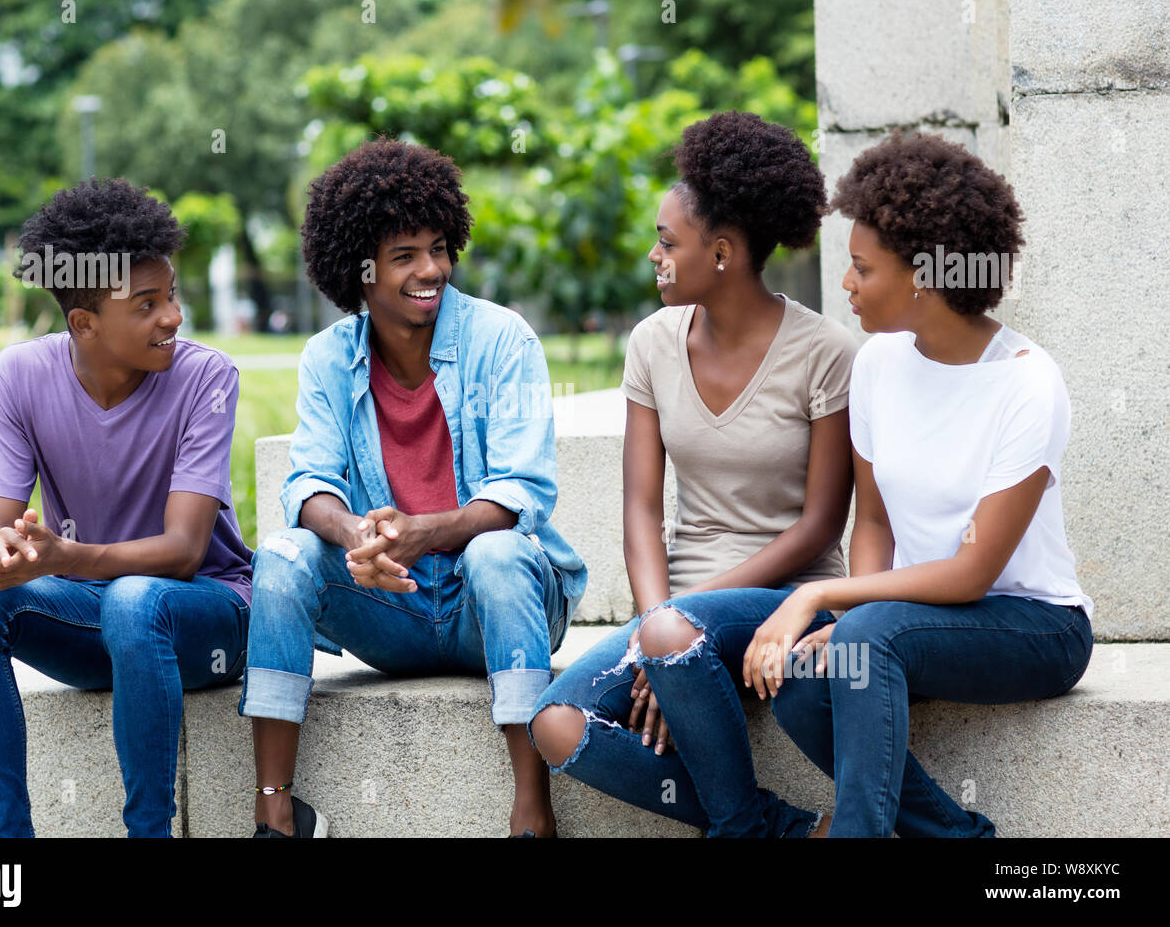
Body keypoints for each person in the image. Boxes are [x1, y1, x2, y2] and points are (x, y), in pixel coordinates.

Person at [242, 139, 586, 838]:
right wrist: (358, 535)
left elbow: (522, 492)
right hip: (390, 607)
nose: (431, 270)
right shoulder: (329, 358)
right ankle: (275, 814)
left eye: (438, 248)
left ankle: (532, 812)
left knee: (496, 551)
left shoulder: (503, 340)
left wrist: (423, 531)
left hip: (490, 606)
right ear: (359, 271)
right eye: (405, 256)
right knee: (281, 555)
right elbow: (308, 482)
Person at [528, 111, 857, 837]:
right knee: (555, 724)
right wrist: (656, 629)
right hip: (673, 613)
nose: (654, 256)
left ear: (724, 252)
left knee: (676, 637)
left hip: (785, 602)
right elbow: (641, 512)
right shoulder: (652, 342)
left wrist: (671, 632)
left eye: (667, 242)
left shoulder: (825, 351)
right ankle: (779, 830)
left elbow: (820, 527)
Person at [767, 130, 1094, 837]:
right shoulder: (877, 365)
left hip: (1036, 625)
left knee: (864, 638)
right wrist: (849, 620)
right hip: (912, 618)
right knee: (800, 684)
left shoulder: (1028, 383)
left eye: (862, 268)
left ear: (923, 275)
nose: (846, 284)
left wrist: (822, 597)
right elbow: (874, 523)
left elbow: (974, 574)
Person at [0, 178, 254, 837]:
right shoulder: (21, 374)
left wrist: (64, 557)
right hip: (97, 619)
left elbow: (184, 552)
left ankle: (149, 831)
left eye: (171, 294)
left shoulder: (207, 377)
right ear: (83, 322)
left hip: (204, 616)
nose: (172, 317)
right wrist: (0, 553)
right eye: (147, 305)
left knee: (135, 601)